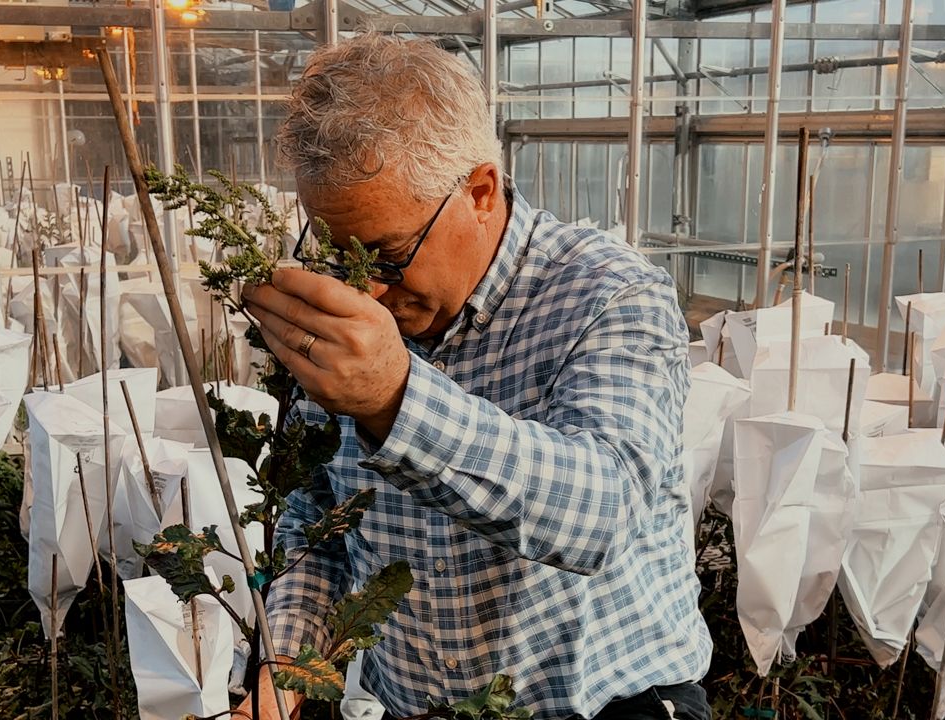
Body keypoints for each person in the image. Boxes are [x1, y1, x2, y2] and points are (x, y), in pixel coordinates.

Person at [237, 33, 711, 720]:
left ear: (481, 191)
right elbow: (318, 524)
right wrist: (288, 668)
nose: (364, 289)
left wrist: (396, 401)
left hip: (605, 708)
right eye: (337, 255)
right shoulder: (346, 317)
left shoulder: (606, 294)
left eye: (388, 255)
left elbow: (603, 513)